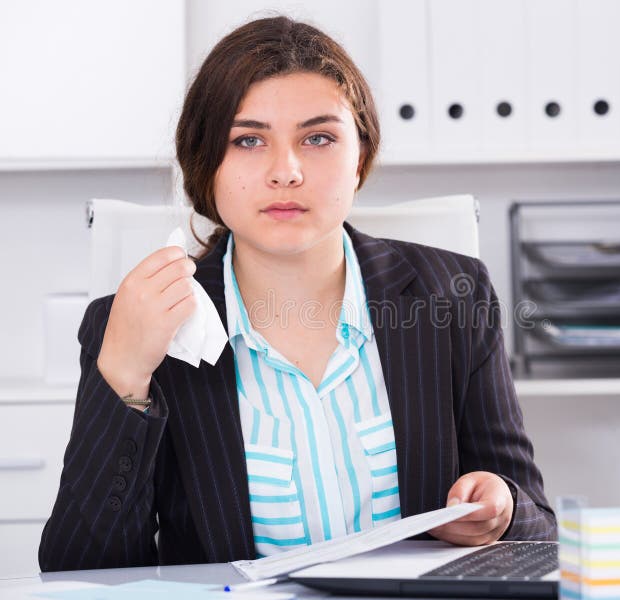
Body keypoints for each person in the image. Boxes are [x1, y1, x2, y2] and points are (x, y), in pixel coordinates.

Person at [39, 15, 556, 571]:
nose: (286, 171)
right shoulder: (137, 322)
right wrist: (123, 379)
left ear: (359, 156)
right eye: (248, 140)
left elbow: (539, 530)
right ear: (204, 164)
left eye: (318, 138)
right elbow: (79, 572)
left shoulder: (454, 295)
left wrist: (501, 511)